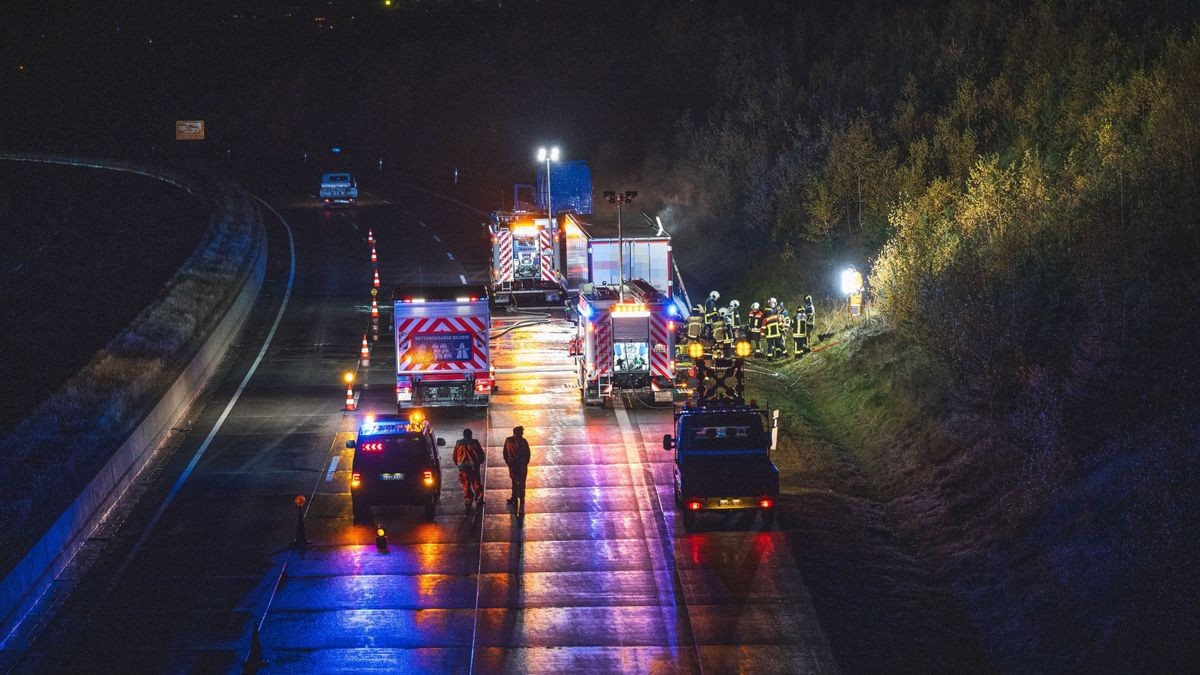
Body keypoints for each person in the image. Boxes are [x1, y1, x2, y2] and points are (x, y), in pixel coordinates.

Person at [503, 425, 532, 516]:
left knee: (514, 482)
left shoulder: (508, 440)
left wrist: (508, 462)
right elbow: (528, 453)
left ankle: (514, 497)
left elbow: (505, 452)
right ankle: (521, 498)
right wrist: (525, 462)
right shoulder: (523, 441)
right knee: (522, 482)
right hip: (521, 465)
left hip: (512, 465)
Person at [453, 428, 485, 507]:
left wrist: (458, 464)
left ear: (463, 435)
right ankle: (479, 499)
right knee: (476, 484)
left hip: (463, 468)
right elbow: (481, 454)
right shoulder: (475, 443)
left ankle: (468, 501)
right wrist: (479, 463)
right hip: (474, 467)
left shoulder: (459, 443)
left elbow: (454, 456)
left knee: (466, 485)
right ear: (471, 435)